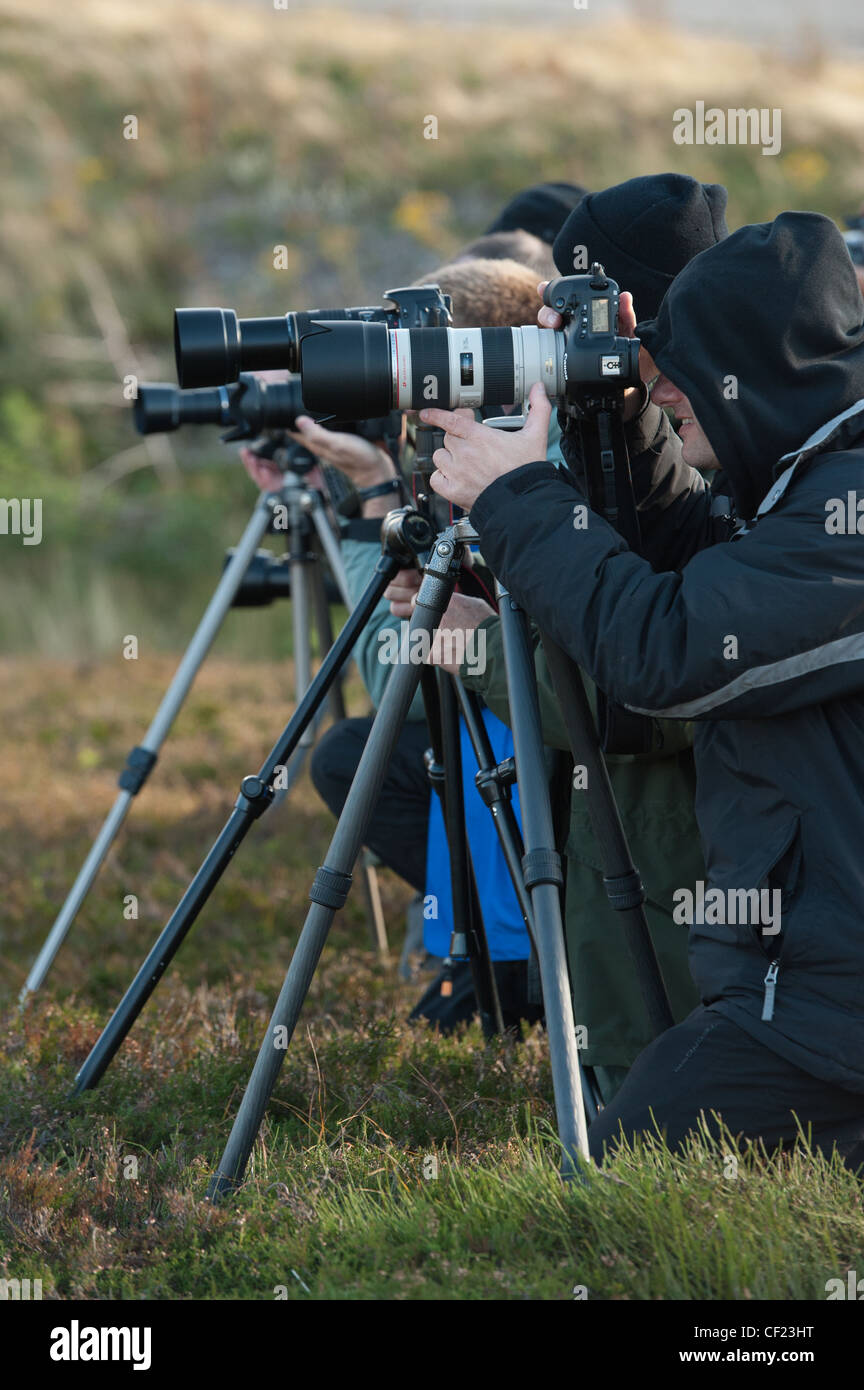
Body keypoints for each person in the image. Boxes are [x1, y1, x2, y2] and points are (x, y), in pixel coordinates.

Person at [417, 209, 864, 1169]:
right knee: (639, 1155)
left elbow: (671, 649)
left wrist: (518, 495)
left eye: (679, 367)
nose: (660, 384)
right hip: (807, 985)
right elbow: (698, 561)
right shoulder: (804, 483)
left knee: (628, 1177)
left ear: (757, 368)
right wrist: (617, 423)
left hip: (831, 1010)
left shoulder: (846, 511)